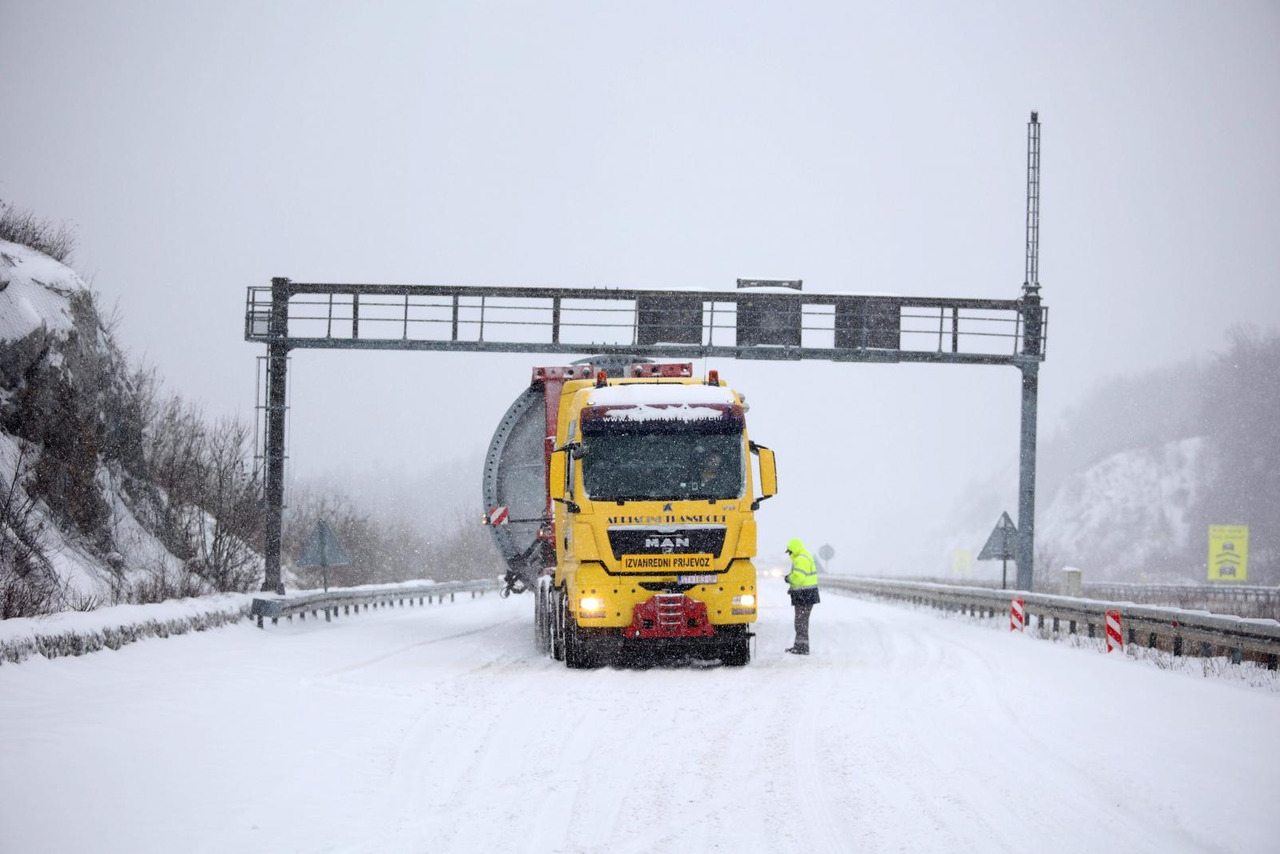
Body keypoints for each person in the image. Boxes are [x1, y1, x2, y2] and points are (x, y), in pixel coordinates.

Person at [784, 538, 820, 654]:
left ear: (794, 549)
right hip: (806, 594)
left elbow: (799, 577)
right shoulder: (805, 556)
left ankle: (802, 648)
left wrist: (788, 578)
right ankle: (800, 646)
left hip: (805, 595)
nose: (789, 554)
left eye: (790, 551)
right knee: (801, 621)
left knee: (801, 622)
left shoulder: (801, 559)